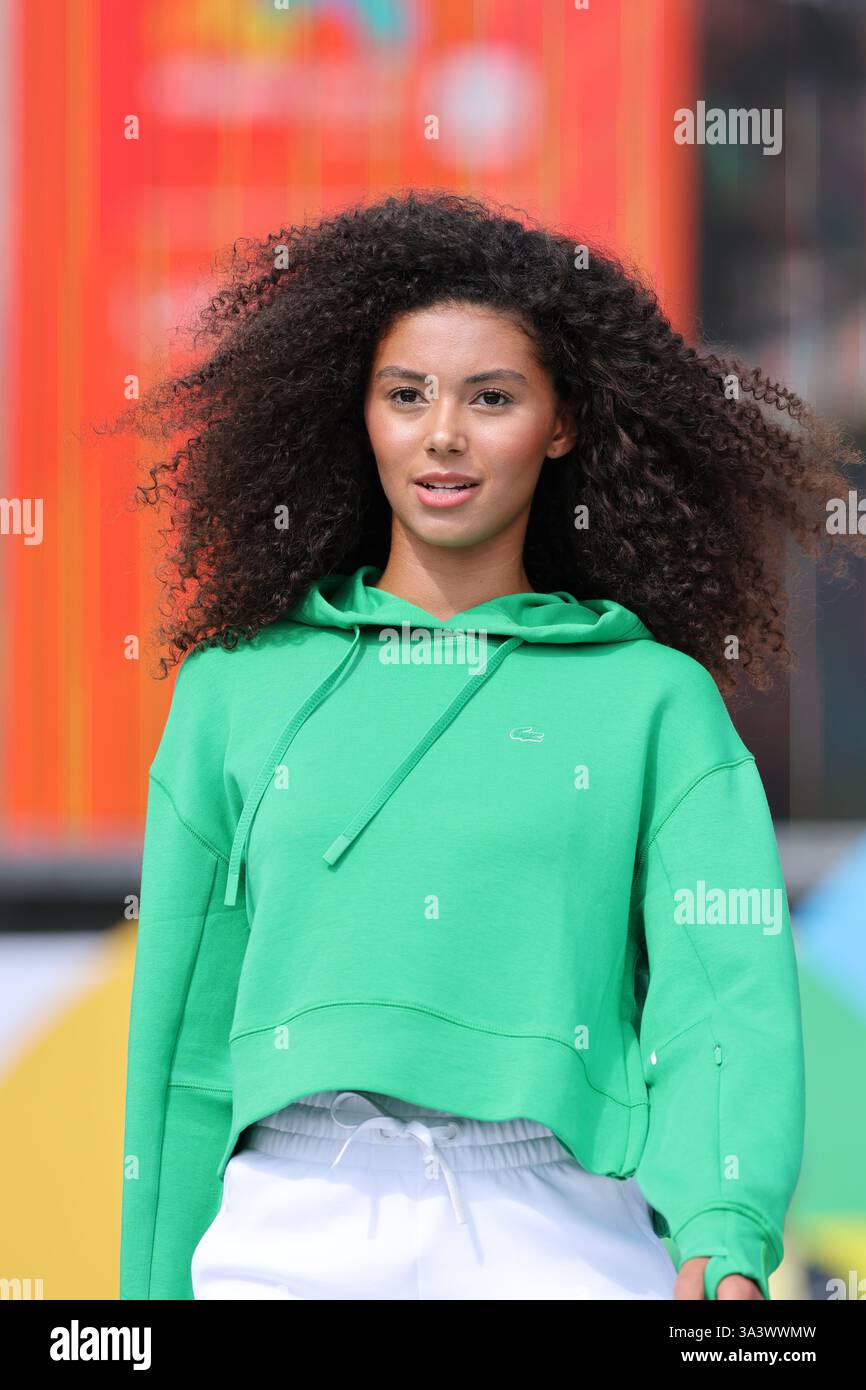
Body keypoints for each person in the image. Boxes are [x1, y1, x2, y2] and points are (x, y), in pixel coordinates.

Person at [117, 190, 860, 1302]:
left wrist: (726, 1230)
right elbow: (179, 1046)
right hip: (285, 1229)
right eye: (405, 395)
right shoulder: (233, 691)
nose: (443, 434)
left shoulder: (653, 701)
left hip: (552, 1228)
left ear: (559, 422)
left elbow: (721, 994)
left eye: (492, 396)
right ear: (357, 412)